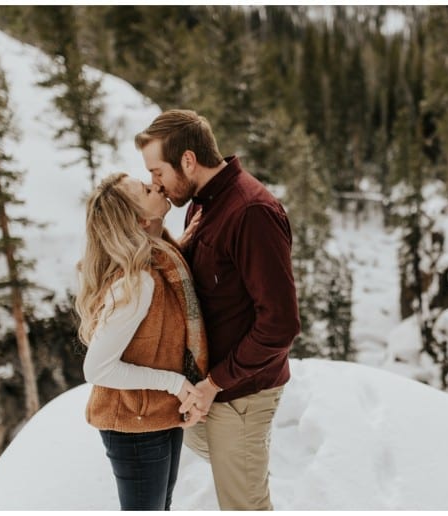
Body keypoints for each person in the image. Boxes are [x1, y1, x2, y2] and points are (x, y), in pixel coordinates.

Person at [135, 109, 301, 510]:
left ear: (188, 160)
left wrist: (213, 385)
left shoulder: (251, 212)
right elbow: (194, 280)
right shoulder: (201, 204)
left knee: (243, 506)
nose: (153, 183)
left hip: (239, 390)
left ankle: (246, 465)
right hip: (214, 386)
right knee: (227, 461)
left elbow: (280, 325)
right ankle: (247, 463)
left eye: (158, 172)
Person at [75, 172, 208, 511]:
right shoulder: (136, 284)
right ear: (140, 218)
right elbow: (97, 368)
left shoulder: (158, 260)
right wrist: (175, 383)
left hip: (155, 414)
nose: (157, 187)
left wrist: (181, 245)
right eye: (147, 190)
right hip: (133, 426)